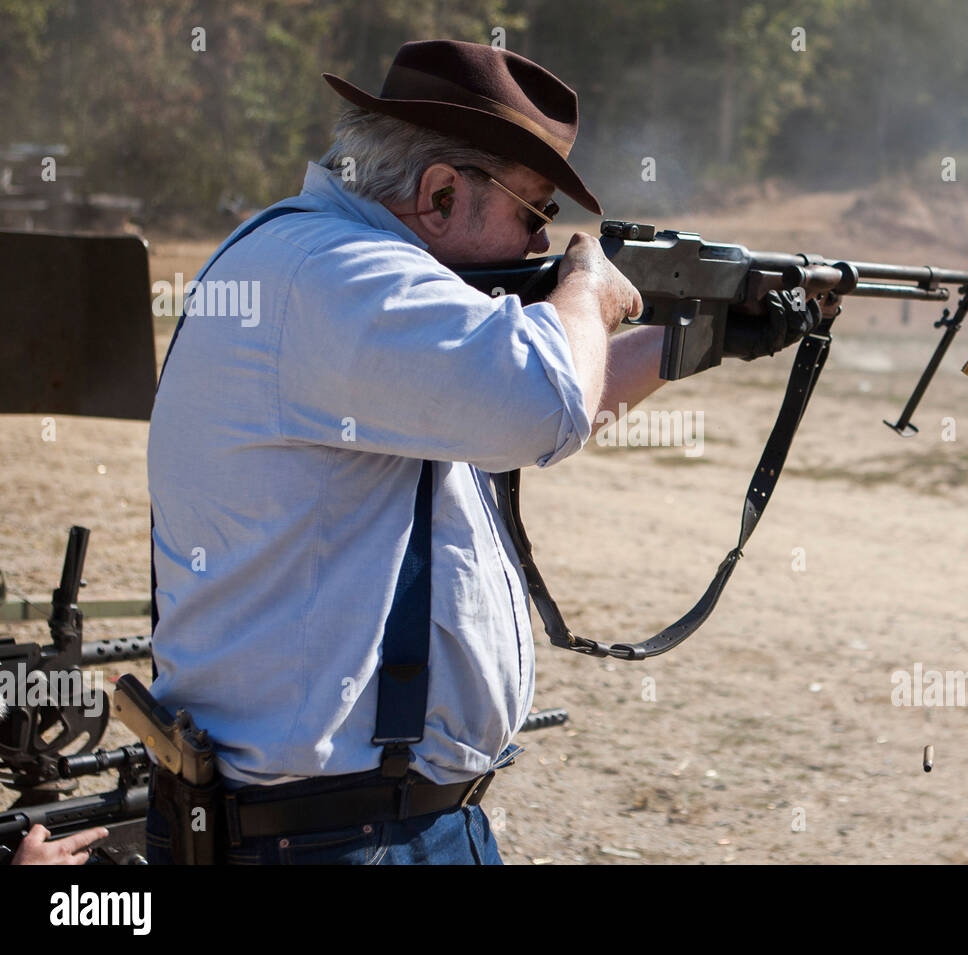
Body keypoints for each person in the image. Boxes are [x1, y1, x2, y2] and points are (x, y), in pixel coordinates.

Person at [145, 39, 808, 865]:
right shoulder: (341, 276)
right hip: (327, 835)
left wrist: (687, 346)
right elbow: (535, 404)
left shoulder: (320, 266)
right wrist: (587, 287)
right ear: (440, 192)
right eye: (533, 215)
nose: (540, 246)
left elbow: (532, 395)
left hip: (363, 823)